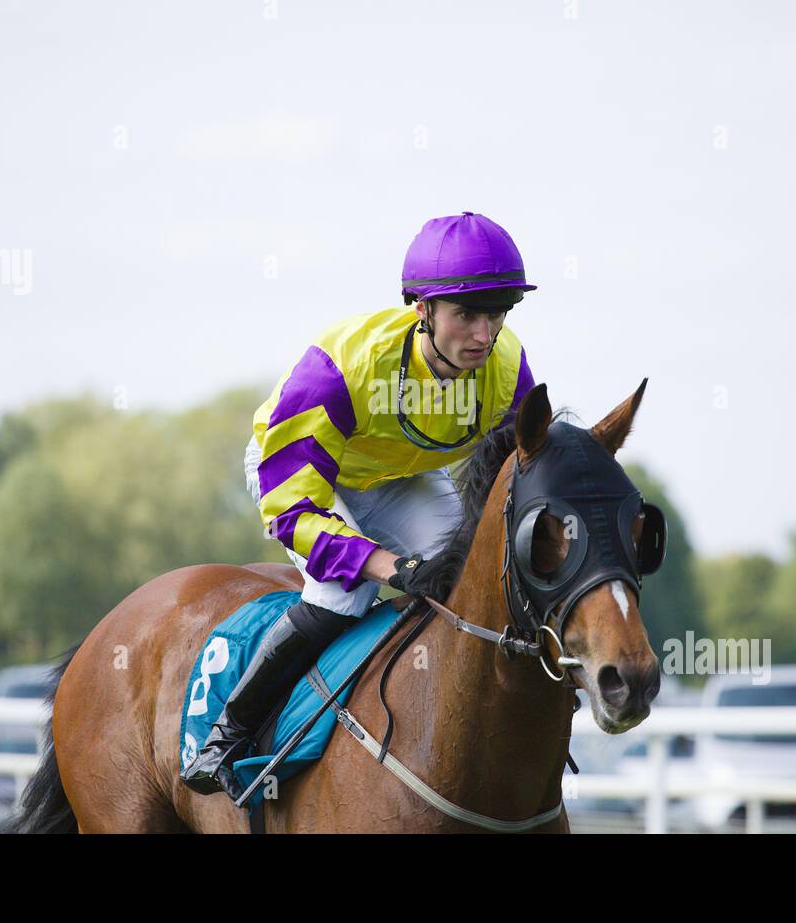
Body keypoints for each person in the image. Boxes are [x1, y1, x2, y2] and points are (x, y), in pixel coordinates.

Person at [181, 211, 537, 800]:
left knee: (470, 579)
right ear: (421, 309)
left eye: (497, 314)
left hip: (398, 477)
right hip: (301, 474)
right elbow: (294, 509)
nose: (483, 335)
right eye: (466, 315)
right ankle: (230, 732)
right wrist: (391, 568)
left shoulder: (507, 368)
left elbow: (516, 478)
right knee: (344, 594)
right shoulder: (343, 364)